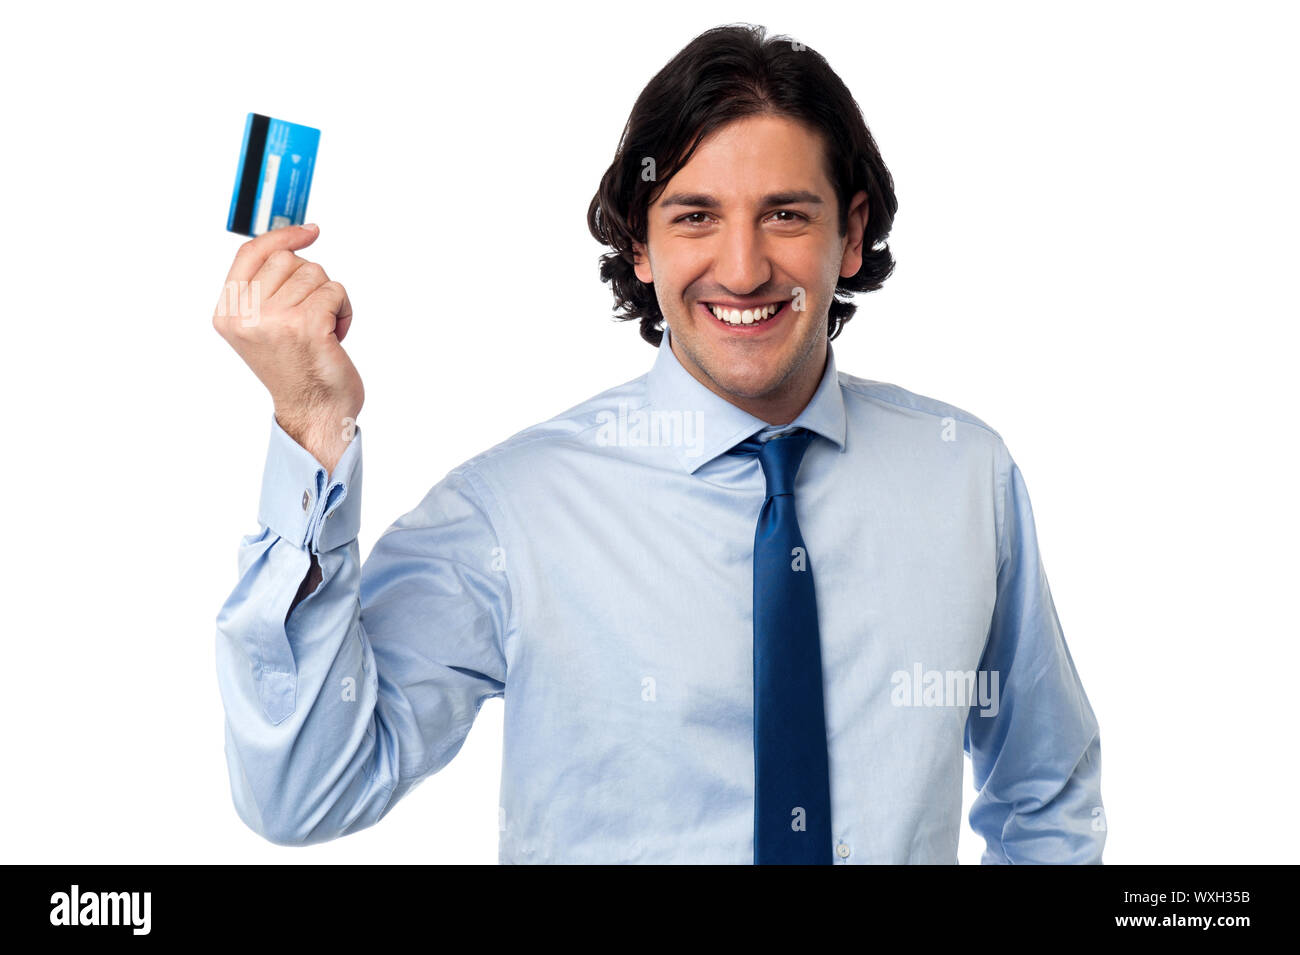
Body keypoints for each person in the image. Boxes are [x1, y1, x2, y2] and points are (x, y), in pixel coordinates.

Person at [211, 23, 1105, 864]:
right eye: (694, 217)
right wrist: (310, 420)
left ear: (853, 233)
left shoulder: (963, 473)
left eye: (787, 215)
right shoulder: (516, 511)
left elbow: (1047, 791)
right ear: (639, 244)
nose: (745, 268)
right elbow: (301, 792)